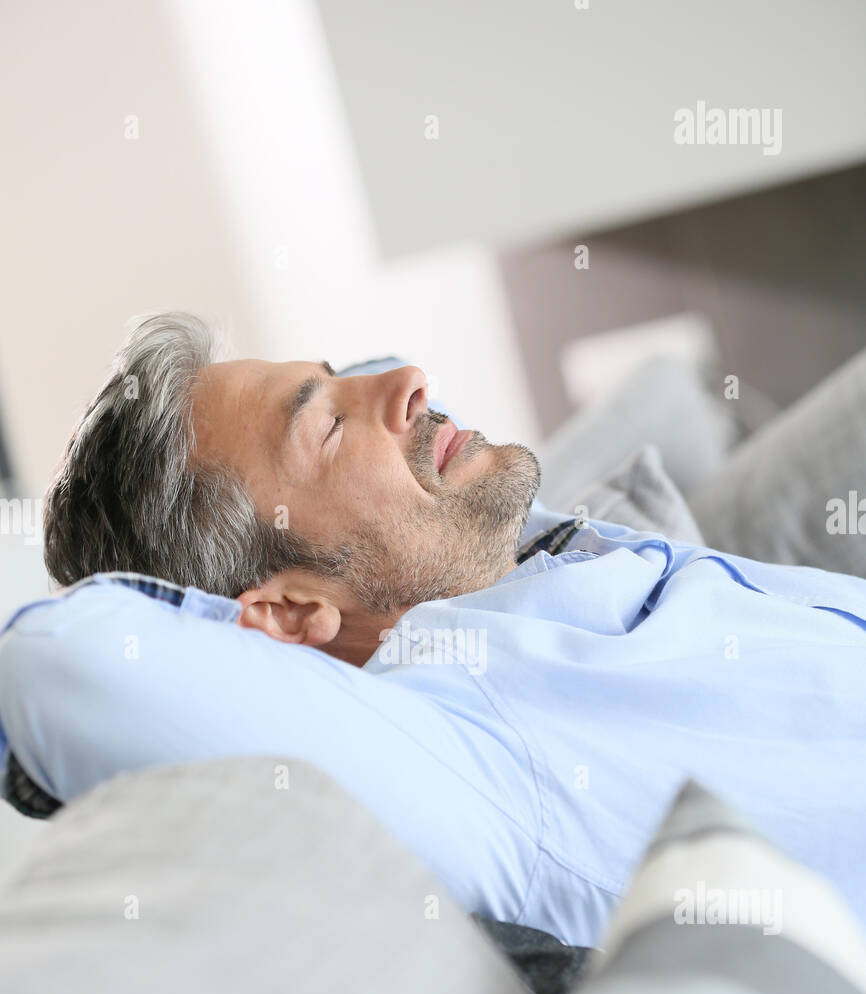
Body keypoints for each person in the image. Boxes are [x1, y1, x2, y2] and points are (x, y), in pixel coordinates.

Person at [1, 312, 865, 946]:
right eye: (328, 422)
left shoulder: (518, 563)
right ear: (290, 611)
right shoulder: (472, 755)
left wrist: (360, 423)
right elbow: (56, 666)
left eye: (343, 371)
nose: (408, 378)